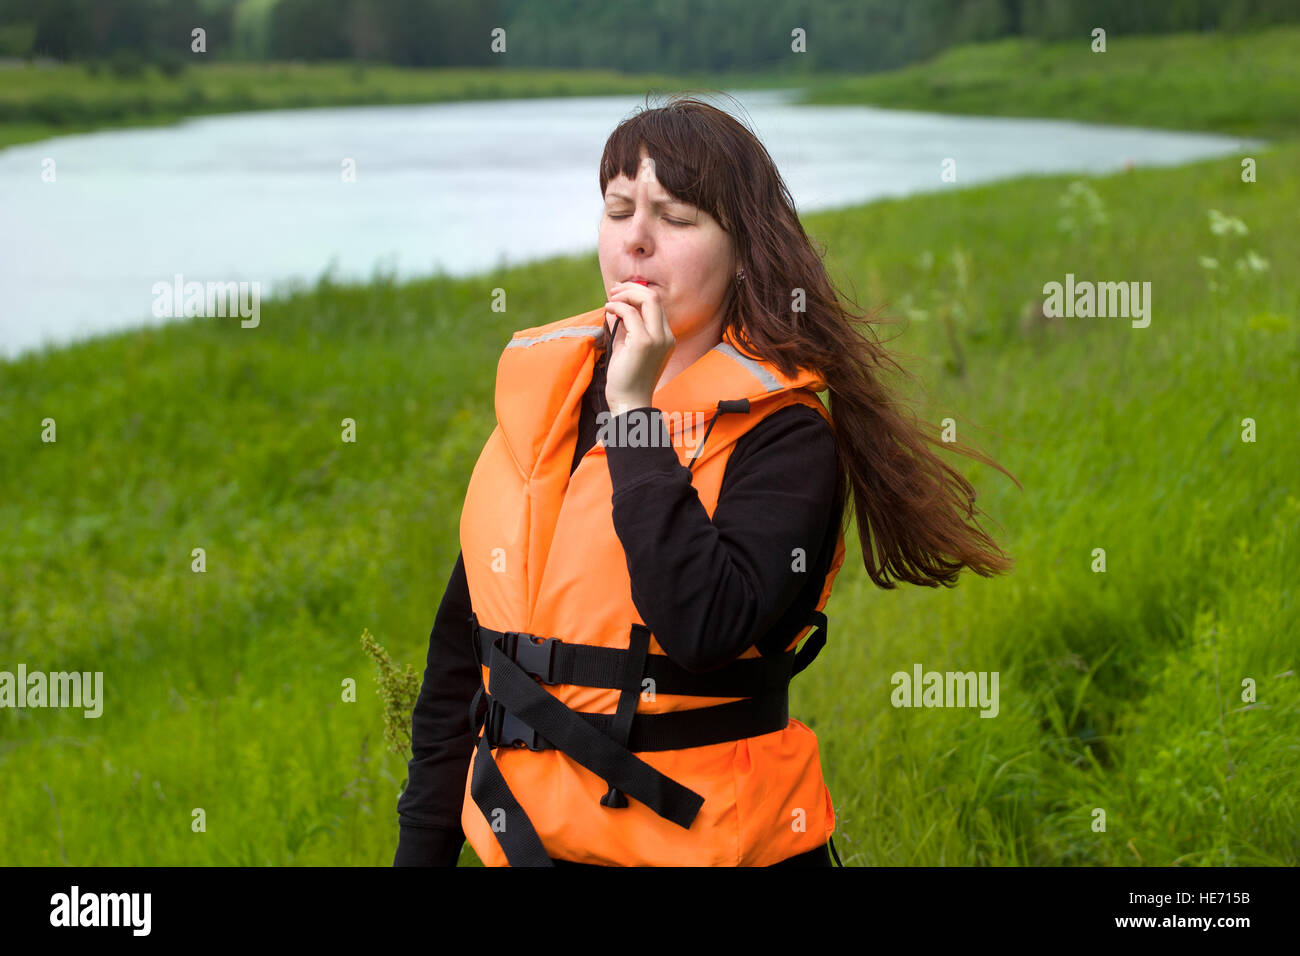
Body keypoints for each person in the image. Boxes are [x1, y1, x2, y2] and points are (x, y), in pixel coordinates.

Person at [394, 93, 1016, 868]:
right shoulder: (545, 405)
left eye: (677, 218)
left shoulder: (785, 437)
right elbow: (465, 661)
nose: (637, 242)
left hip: (725, 849)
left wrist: (631, 413)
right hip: (531, 847)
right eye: (619, 210)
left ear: (743, 248)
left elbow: (703, 629)